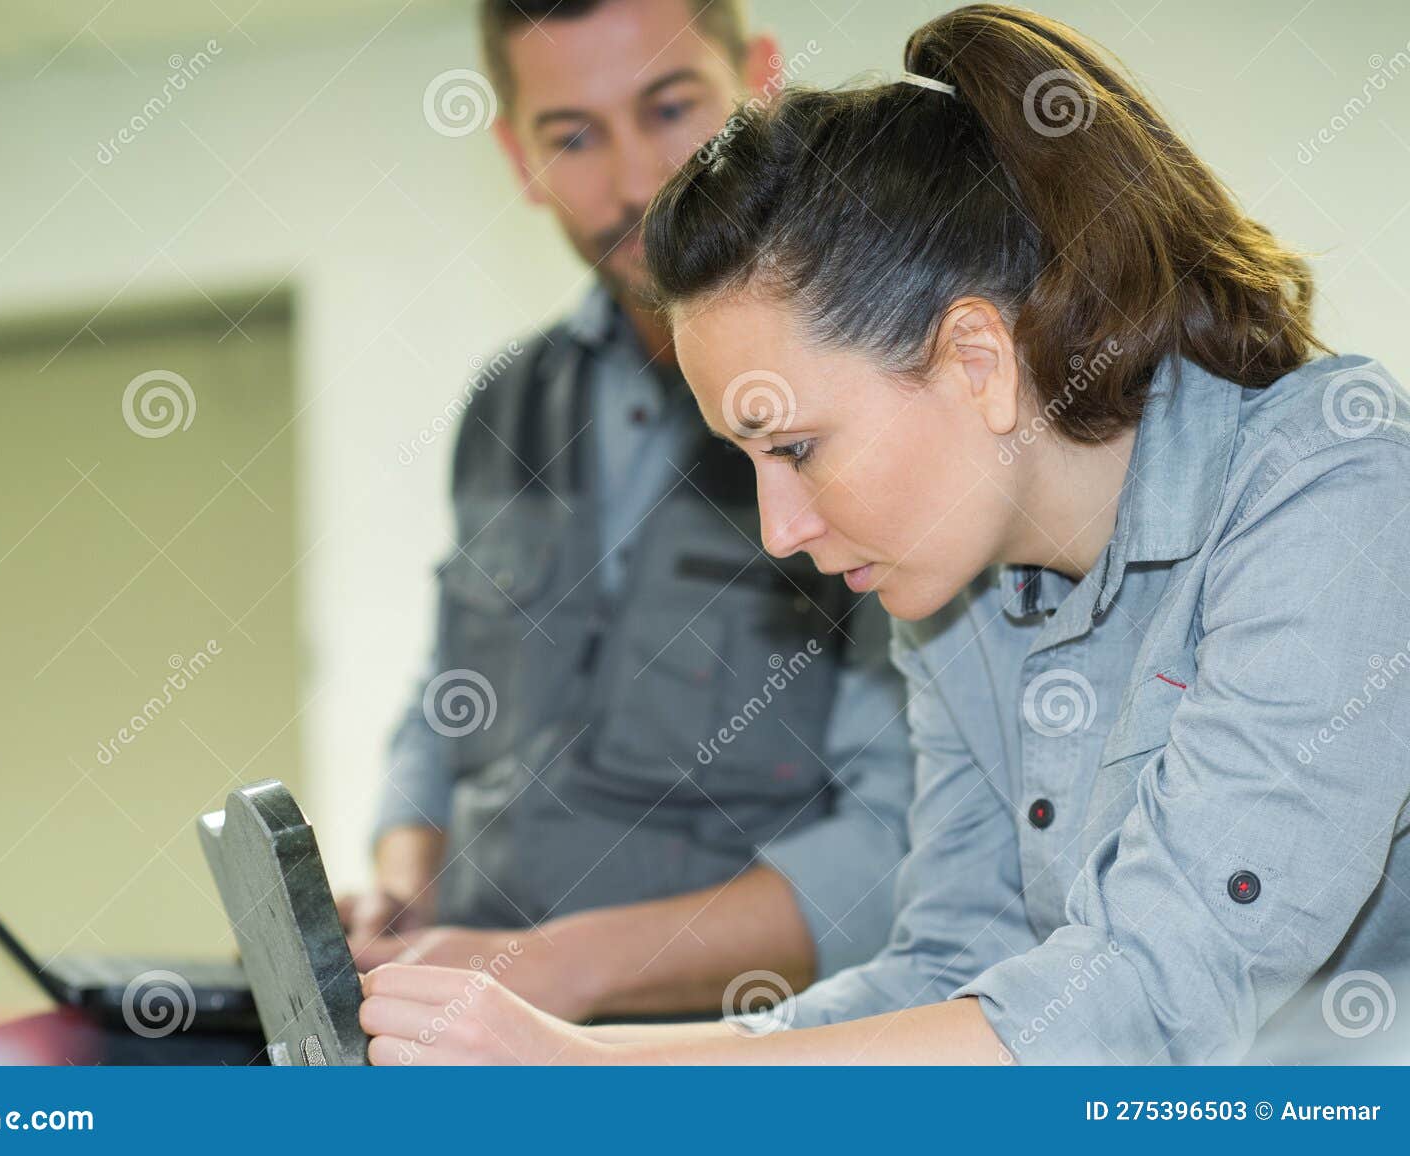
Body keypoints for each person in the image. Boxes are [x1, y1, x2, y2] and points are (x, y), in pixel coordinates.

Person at [356, 3, 1410, 1064]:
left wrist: (607, 1078)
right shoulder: (955, 590)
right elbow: (947, 970)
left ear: (975, 362)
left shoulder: (1336, 488)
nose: (779, 531)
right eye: (748, 463)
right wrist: (557, 1052)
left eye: (799, 448)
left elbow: (1146, 1005)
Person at [336, 0, 915, 1024]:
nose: (640, 183)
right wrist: (404, 875)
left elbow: (901, 843)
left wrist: (552, 968)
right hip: (467, 1045)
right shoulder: (504, 405)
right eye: (572, 136)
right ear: (517, 156)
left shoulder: (883, 391)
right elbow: (448, 692)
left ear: (762, 85)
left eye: (669, 107)